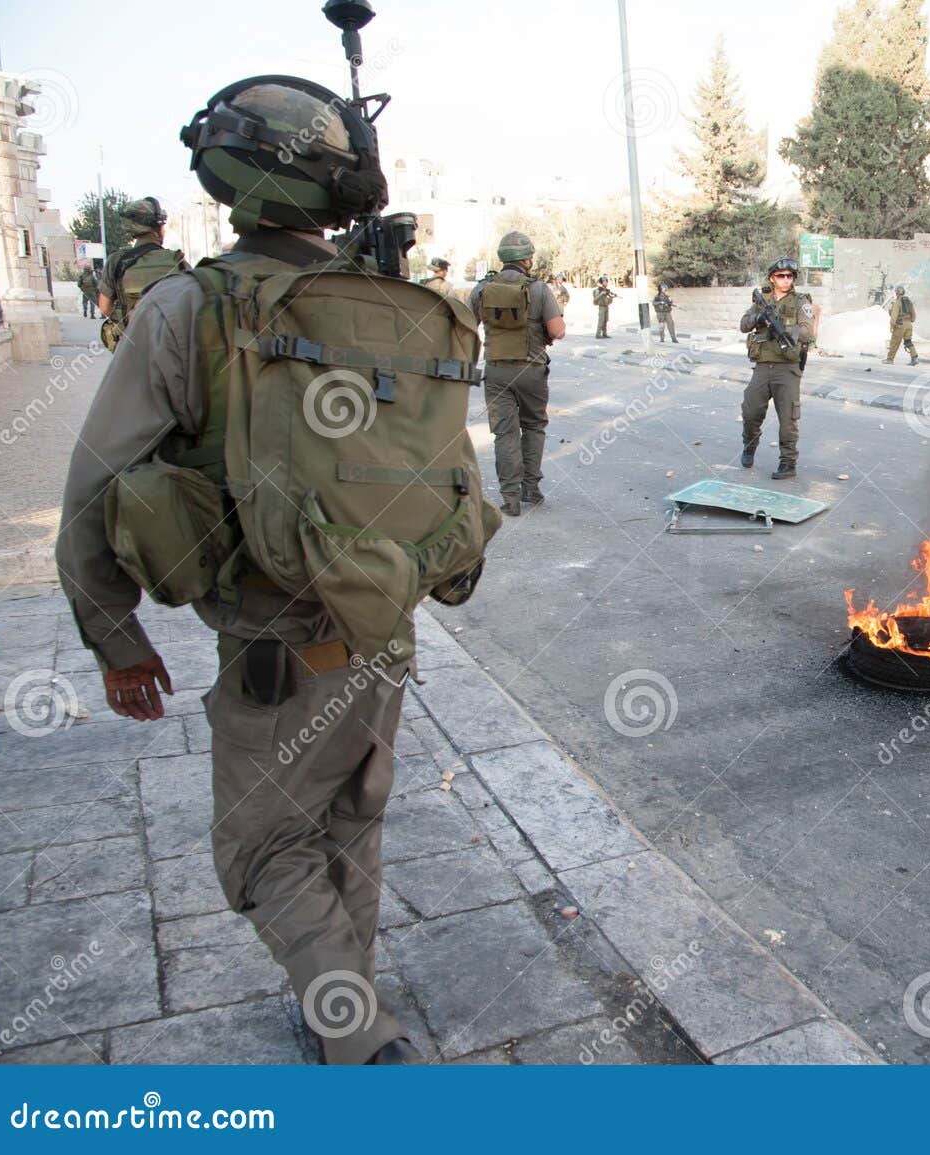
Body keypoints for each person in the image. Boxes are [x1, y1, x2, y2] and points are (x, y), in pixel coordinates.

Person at [55, 75, 496, 1064]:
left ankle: (363, 1042)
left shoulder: (188, 308)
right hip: (381, 630)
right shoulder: (397, 306)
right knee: (350, 827)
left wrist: (115, 639)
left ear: (229, 182)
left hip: (271, 647)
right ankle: (340, 1015)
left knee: (261, 851)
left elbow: (91, 491)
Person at [469, 231, 567, 514]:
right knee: (534, 426)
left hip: (497, 370)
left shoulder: (481, 289)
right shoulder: (538, 289)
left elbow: (464, 324)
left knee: (504, 434)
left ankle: (510, 498)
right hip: (532, 371)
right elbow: (557, 330)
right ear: (527, 259)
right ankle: (531, 489)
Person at [740, 256, 815, 480]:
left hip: (787, 369)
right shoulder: (761, 299)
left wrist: (782, 327)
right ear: (772, 278)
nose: (785, 280)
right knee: (751, 412)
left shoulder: (801, 301)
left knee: (788, 419)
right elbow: (743, 325)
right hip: (763, 366)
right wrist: (760, 317)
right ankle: (749, 446)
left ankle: (788, 463)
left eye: (789, 276)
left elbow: (808, 331)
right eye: (781, 276)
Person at [95, 196, 188, 328]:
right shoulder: (176, 260)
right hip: (169, 342)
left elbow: (104, 308)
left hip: (131, 342)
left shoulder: (116, 261)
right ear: (158, 228)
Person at [885, 284, 918, 365]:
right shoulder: (909, 301)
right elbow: (914, 315)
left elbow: (894, 316)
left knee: (894, 342)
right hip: (909, 324)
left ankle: (890, 359)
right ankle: (914, 358)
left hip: (900, 325)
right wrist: (910, 321)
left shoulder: (897, 302)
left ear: (896, 293)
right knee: (908, 342)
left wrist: (892, 325)